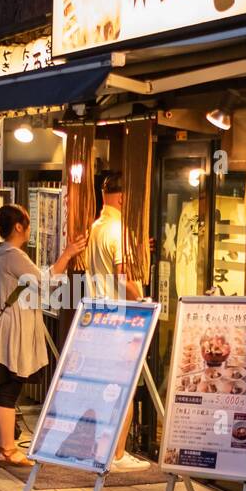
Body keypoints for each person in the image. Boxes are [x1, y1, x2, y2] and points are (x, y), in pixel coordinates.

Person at [0, 204, 86, 467]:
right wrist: (67, 255)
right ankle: (8, 449)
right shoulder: (13, 255)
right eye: (28, 225)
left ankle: (0, 446)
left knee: (2, 391)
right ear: (19, 227)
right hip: (12, 333)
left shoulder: (3, 255)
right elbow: (43, 283)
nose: (29, 230)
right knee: (8, 391)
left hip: (4, 331)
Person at [86, 172, 150, 472]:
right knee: (123, 389)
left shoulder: (97, 227)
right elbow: (123, 276)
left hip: (99, 318)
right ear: (124, 197)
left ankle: (103, 448)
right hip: (122, 321)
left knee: (105, 389)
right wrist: (143, 300)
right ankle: (118, 454)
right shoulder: (119, 229)